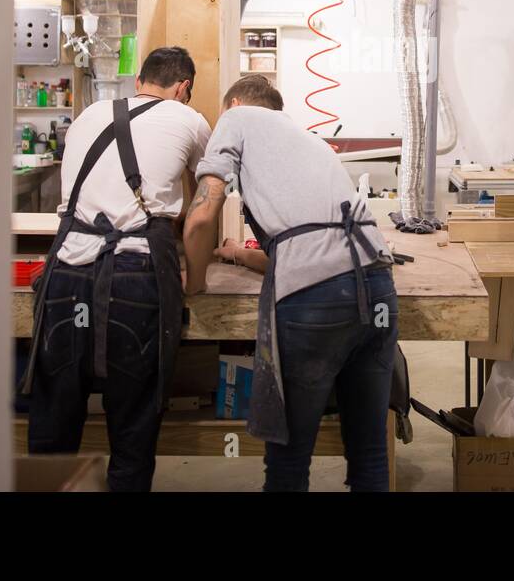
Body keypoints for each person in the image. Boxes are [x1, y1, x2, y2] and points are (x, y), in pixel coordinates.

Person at [183, 75, 398, 492]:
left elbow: (202, 214)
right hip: (375, 285)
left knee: (290, 455)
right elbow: (312, 244)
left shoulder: (237, 117)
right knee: (369, 450)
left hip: (314, 302)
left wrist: (194, 283)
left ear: (237, 103)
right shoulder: (310, 141)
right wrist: (239, 254)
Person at [22, 46, 211, 491]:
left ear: (139, 81)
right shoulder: (190, 119)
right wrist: (197, 275)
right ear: (183, 87)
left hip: (66, 270)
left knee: (54, 415)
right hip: (134, 273)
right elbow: (209, 197)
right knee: (132, 422)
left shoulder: (89, 115)